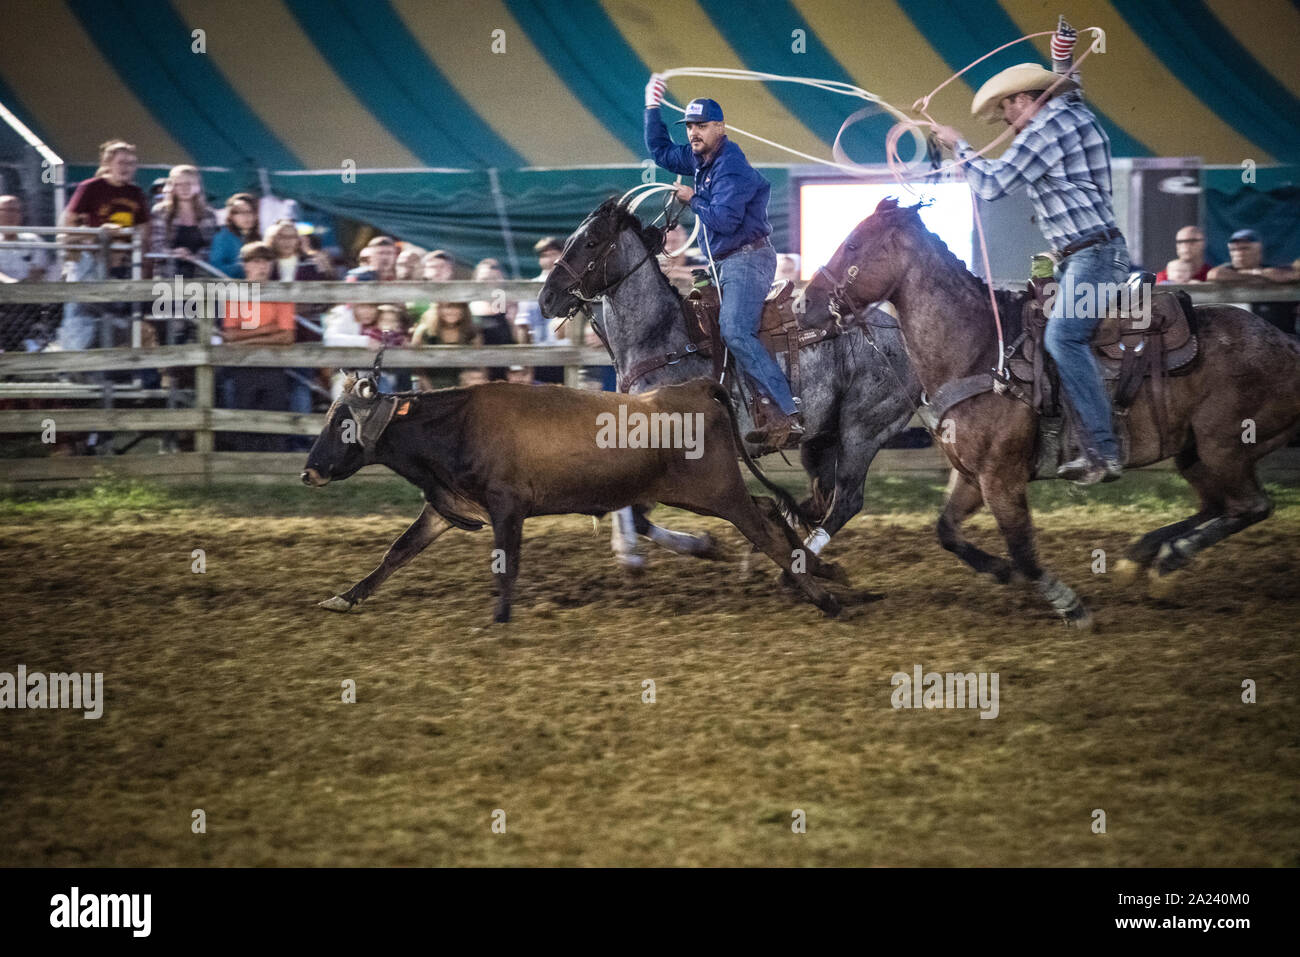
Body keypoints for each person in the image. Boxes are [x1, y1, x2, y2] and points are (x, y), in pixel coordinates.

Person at [932, 22, 1129, 485]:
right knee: (1044, 333)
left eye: (1005, 107)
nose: (1005, 119)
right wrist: (1062, 57)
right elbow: (1070, 90)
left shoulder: (1046, 129)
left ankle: (1103, 449)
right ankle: (1071, 436)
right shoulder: (1070, 113)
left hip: (1093, 257)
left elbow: (994, 185)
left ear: (1024, 99)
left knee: (1063, 338)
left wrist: (958, 145)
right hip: (1087, 254)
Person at [645, 78, 800, 449]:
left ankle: (787, 408)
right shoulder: (701, 157)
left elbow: (726, 220)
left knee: (733, 330)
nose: (693, 133)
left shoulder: (731, 166)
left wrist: (692, 197)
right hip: (727, 262)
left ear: (720, 127)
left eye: (701, 126)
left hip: (748, 260)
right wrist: (652, 107)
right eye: (690, 127)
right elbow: (661, 153)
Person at [57, 139, 150, 351]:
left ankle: (116, 366)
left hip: (122, 262)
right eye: (121, 162)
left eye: (131, 163)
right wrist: (94, 236)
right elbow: (67, 222)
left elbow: (144, 228)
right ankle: (72, 362)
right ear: (108, 164)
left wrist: (140, 255)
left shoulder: (135, 192)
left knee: (117, 314)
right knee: (80, 311)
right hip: (91, 259)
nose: (126, 167)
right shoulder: (91, 188)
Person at [218, 242, 294, 452]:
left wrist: (247, 338)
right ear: (246, 265)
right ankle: (245, 459)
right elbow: (230, 335)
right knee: (243, 412)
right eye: (257, 261)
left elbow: (287, 336)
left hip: (274, 363)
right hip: (244, 364)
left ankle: (276, 458)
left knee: (276, 414)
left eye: (267, 261)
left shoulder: (281, 293)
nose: (263, 266)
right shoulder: (236, 294)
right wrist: (268, 330)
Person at [1208, 229, 1300, 334]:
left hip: (1277, 335)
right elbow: (1214, 274)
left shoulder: (1273, 268)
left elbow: (1286, 276)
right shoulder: (1227, 270)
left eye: (1245, 248)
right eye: (1234, 249)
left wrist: (1257, 273)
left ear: (1258, 249)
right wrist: (1259, 276)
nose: (1239, 253)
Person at [148, 165, 217, 280]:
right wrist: (173, 253)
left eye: (189, 184)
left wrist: (196, 256)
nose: (185, 188)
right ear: (172, 187)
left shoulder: (208, 215)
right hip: (168, 278)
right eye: (179, 184)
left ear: (198, 186)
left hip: (200, 277)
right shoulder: (160, 212)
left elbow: (212, 247)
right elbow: (155, 246)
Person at [209, 193, 260, 278]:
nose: (246, 216)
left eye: (250, 211)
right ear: (231, 216)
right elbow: (215, 269)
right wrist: (243, 267)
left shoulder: (259, 238)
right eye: (240, 212)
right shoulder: (222, 238)